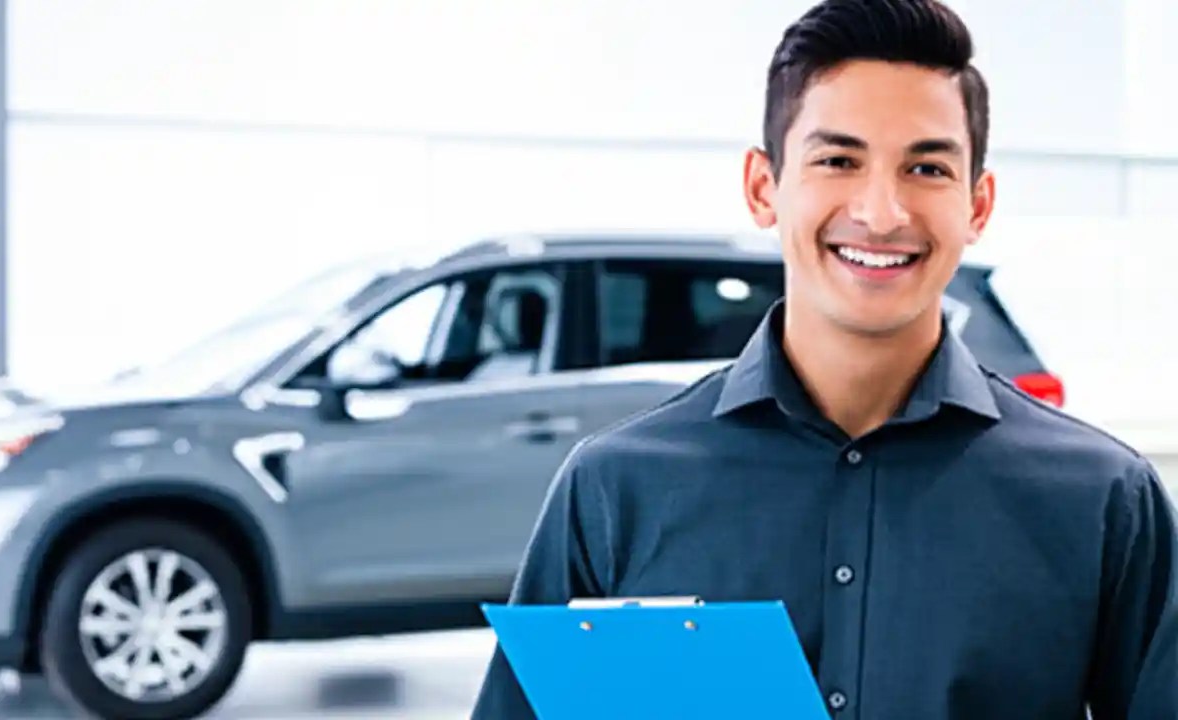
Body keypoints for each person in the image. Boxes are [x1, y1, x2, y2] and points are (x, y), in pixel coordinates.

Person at [470, 0, 1178, 717]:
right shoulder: (618, 487)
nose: (881, 213)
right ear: (763, 187)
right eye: (838, 161)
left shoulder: (1102, 500)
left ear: (978, 205)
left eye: (927, 167)